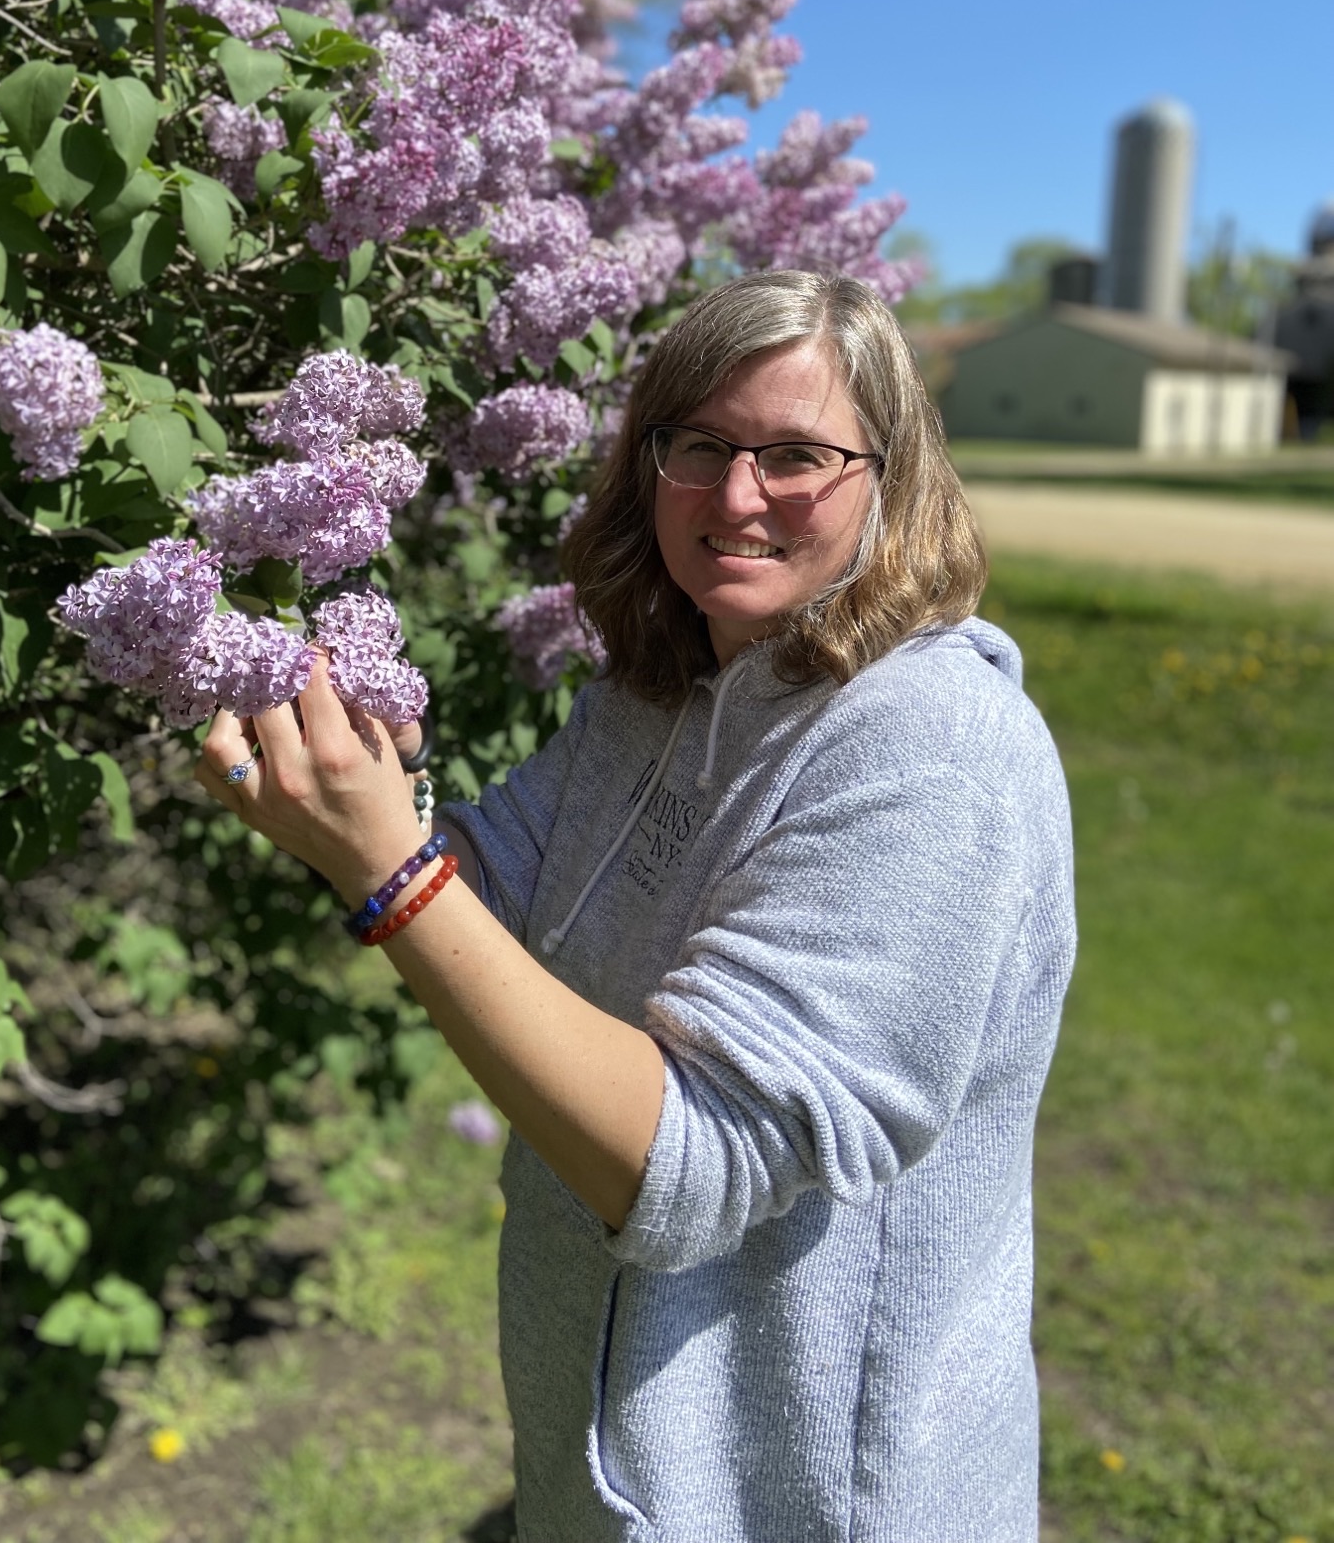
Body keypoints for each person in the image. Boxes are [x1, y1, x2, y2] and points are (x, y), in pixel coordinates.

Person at [197, 269, 1076, 1543]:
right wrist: (349, 780)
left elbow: (694, 1164)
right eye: (700, 445)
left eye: (796, 454)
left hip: (811, 1500)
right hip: (608, 1473)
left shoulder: (935, 751)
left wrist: (387, 868)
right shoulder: (655, 695)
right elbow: (485, 884)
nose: (735, 497)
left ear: (892, 475)